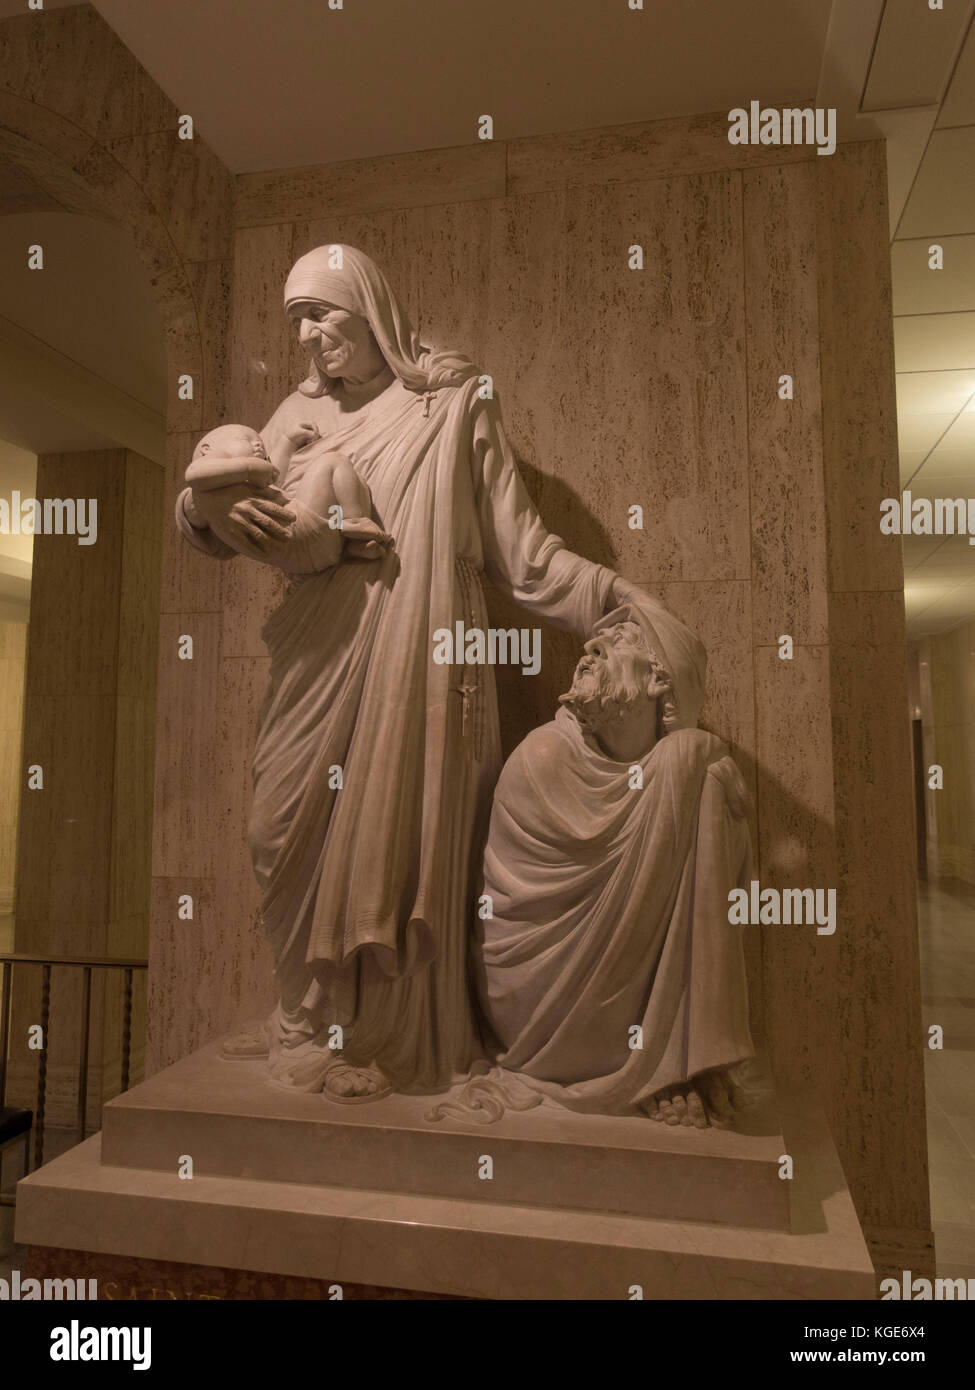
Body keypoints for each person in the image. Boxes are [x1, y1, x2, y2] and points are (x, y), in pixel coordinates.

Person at [175, 244, 630, 1103]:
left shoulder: (452, 403)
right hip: (315, 652)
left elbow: (524, 557)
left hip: (417, 655)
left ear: (368, 306)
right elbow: (217, 488)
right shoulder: (299, 409)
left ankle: (380, 1038)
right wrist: (205, 512)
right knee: (277, 830)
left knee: (394, 839)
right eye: (294, 320)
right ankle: (304, 1012)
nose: (306, 337)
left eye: (320, 314)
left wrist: (618, 602)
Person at [465, 595, 755, 1128]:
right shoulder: (544, 753)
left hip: (625, 1005)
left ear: (660, 681)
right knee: (698, 767)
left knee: (706, 783)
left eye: (621, 642)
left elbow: (651, 871)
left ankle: (688, 1057)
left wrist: (695, 756)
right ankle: (656, 1065)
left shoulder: (682, 771)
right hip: (535, 1002)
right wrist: (699, 750)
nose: (593, 646)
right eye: (598, 640)